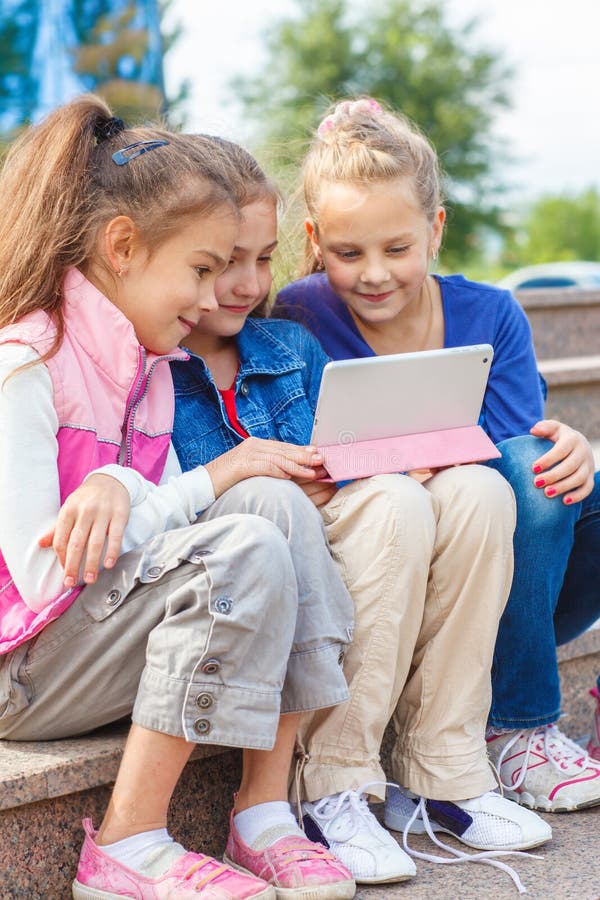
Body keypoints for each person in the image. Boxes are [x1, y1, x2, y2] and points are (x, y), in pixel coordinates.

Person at [169, 137, 552, 891]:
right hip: (249, 558)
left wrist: (363, 469)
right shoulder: (162, 361)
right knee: (398, 502)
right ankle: (334, 786)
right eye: (215, 266)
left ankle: (447, 772)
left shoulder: (291, 343)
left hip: (340, 526)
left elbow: (334, 451)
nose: (243, 285)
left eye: (257, 262)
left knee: (479, 490)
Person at [0, 95, 359, 900]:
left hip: (92, 643)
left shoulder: (149, 372)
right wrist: (200, 478)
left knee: (275, 509)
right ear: (122, 247)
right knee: (237, 532)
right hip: (20, 670)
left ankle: (263, 813)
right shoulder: (24, 365)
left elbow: (156, 514)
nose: (211, 299)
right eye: (200, 269)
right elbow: (43, 577)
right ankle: (127, 843)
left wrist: (127, 482)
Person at [273, 97, 600, 816]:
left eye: (397, 249)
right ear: (315, 239)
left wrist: (565, 446)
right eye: (347, 253)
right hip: (383, 563)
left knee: (556, 477)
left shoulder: (491, 313)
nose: (374, 274)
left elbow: (517, 457)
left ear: (435, 230)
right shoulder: (299, 315)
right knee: (446, 498)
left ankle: (509, 726)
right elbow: (299, 457)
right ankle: (519, 724)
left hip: (487, 563)